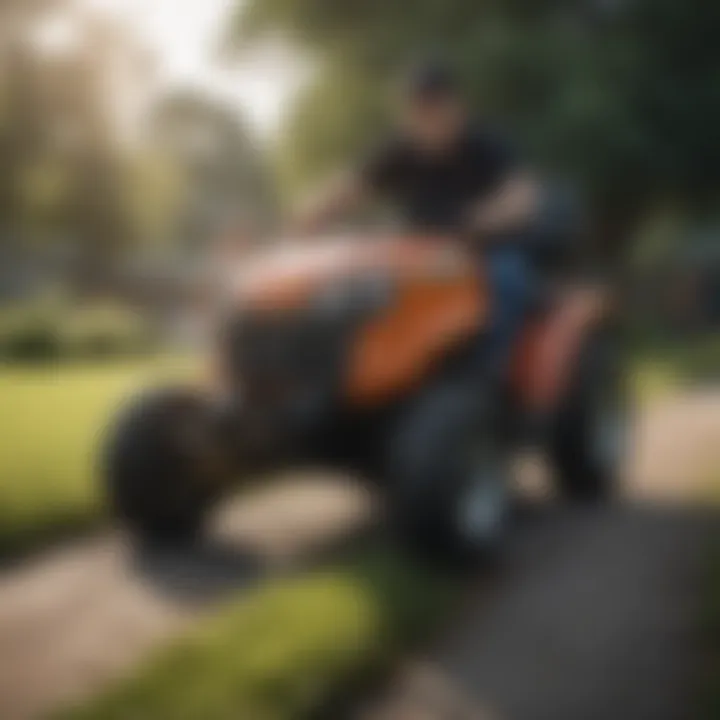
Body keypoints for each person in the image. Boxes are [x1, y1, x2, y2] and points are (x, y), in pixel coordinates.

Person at [292, 60, 540, 377]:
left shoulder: (487, 144)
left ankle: (488, 378)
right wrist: (307, 220)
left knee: (510, 279)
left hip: (482, 249)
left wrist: (481, 218)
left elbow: (522, 197)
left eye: (434, 106)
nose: (426, 117)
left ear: (456, 106)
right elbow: (349, 187)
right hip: (418, 253)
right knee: (353, 289)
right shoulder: (399, 150)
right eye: (416, 109)